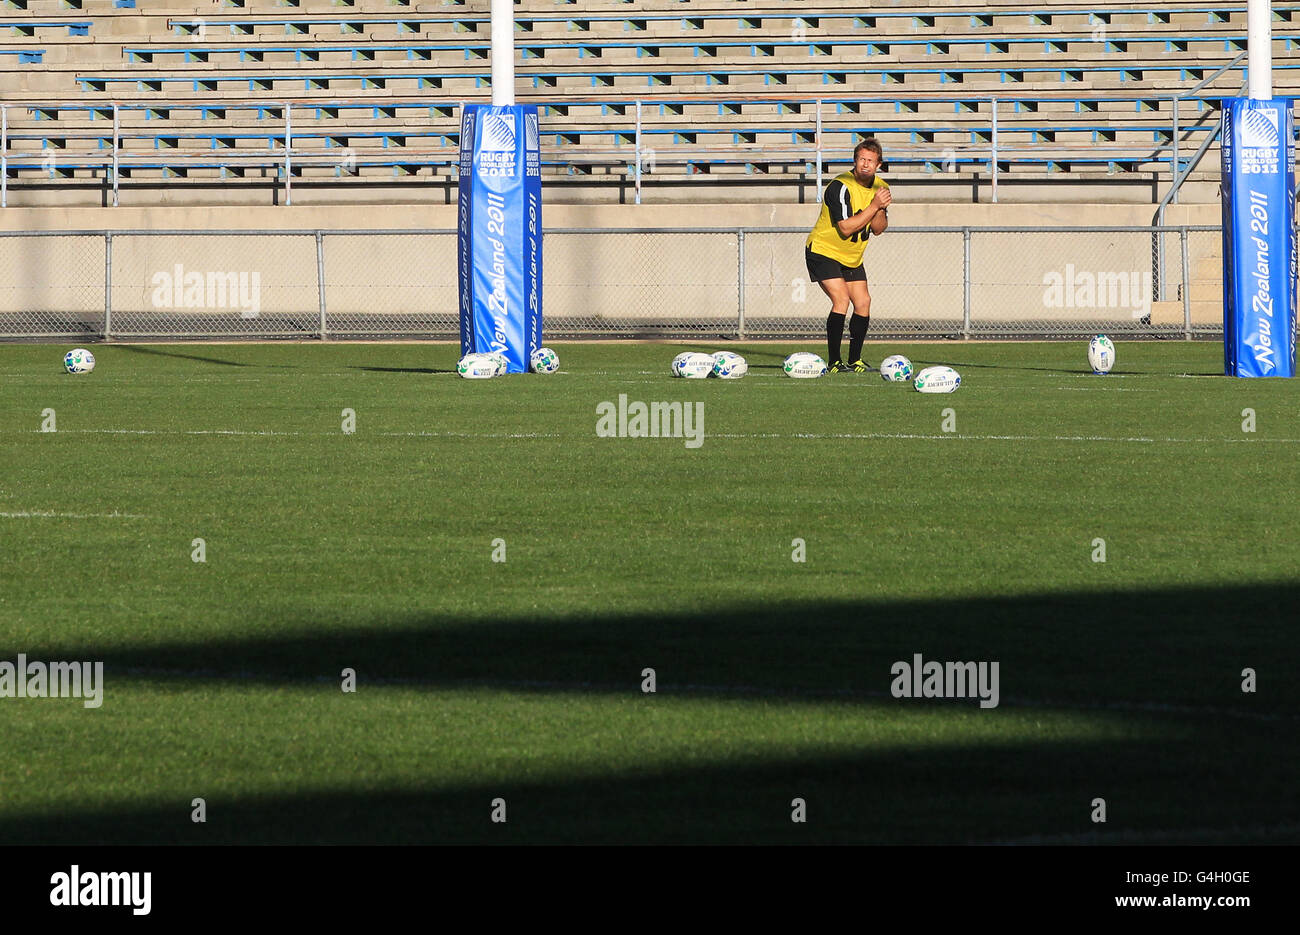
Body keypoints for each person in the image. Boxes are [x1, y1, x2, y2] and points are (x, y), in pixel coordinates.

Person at [804, 138, 891, 373]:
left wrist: (880, 208)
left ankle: (855, 360)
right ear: (854, 161)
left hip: (851, 256)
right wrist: (874, 206)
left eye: (871, 161)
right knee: (841, 299)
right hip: (824, 251)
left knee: (863, 302)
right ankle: (834, 362)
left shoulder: (880, 187)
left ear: (879, 164)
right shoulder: (840, 186)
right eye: (862, 159)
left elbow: (878, 229)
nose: (865, 164)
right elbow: (845, 228)